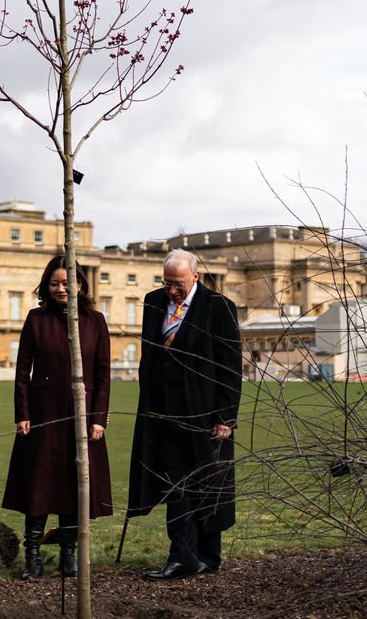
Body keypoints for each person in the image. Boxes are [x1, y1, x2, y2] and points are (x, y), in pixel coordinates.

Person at [128, 249, 242, 581]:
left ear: (194, 276)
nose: (172, 290)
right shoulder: (153, 302)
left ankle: (209, 555)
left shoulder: (218, 307)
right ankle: (183, 557)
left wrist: (226, 417)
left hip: (205, 415)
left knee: (208, 486)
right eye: (167, 283)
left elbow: (230, 366)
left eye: (178, 284)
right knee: (175, 485)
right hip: (163, 414)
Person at [2, 256, 112, 580]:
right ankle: (33, 555)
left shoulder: (95, 321)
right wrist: (22, 413)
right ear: (46, 287)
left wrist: (99, 419)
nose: (61, 289)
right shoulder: (36, 319)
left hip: (82, 415)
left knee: (74, 483)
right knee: (38, 485)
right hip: (43, 415)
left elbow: (103, 375)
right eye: (55, 284)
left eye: (67, 283)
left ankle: (68, 554)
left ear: (80, 284)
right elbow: (23, 371)